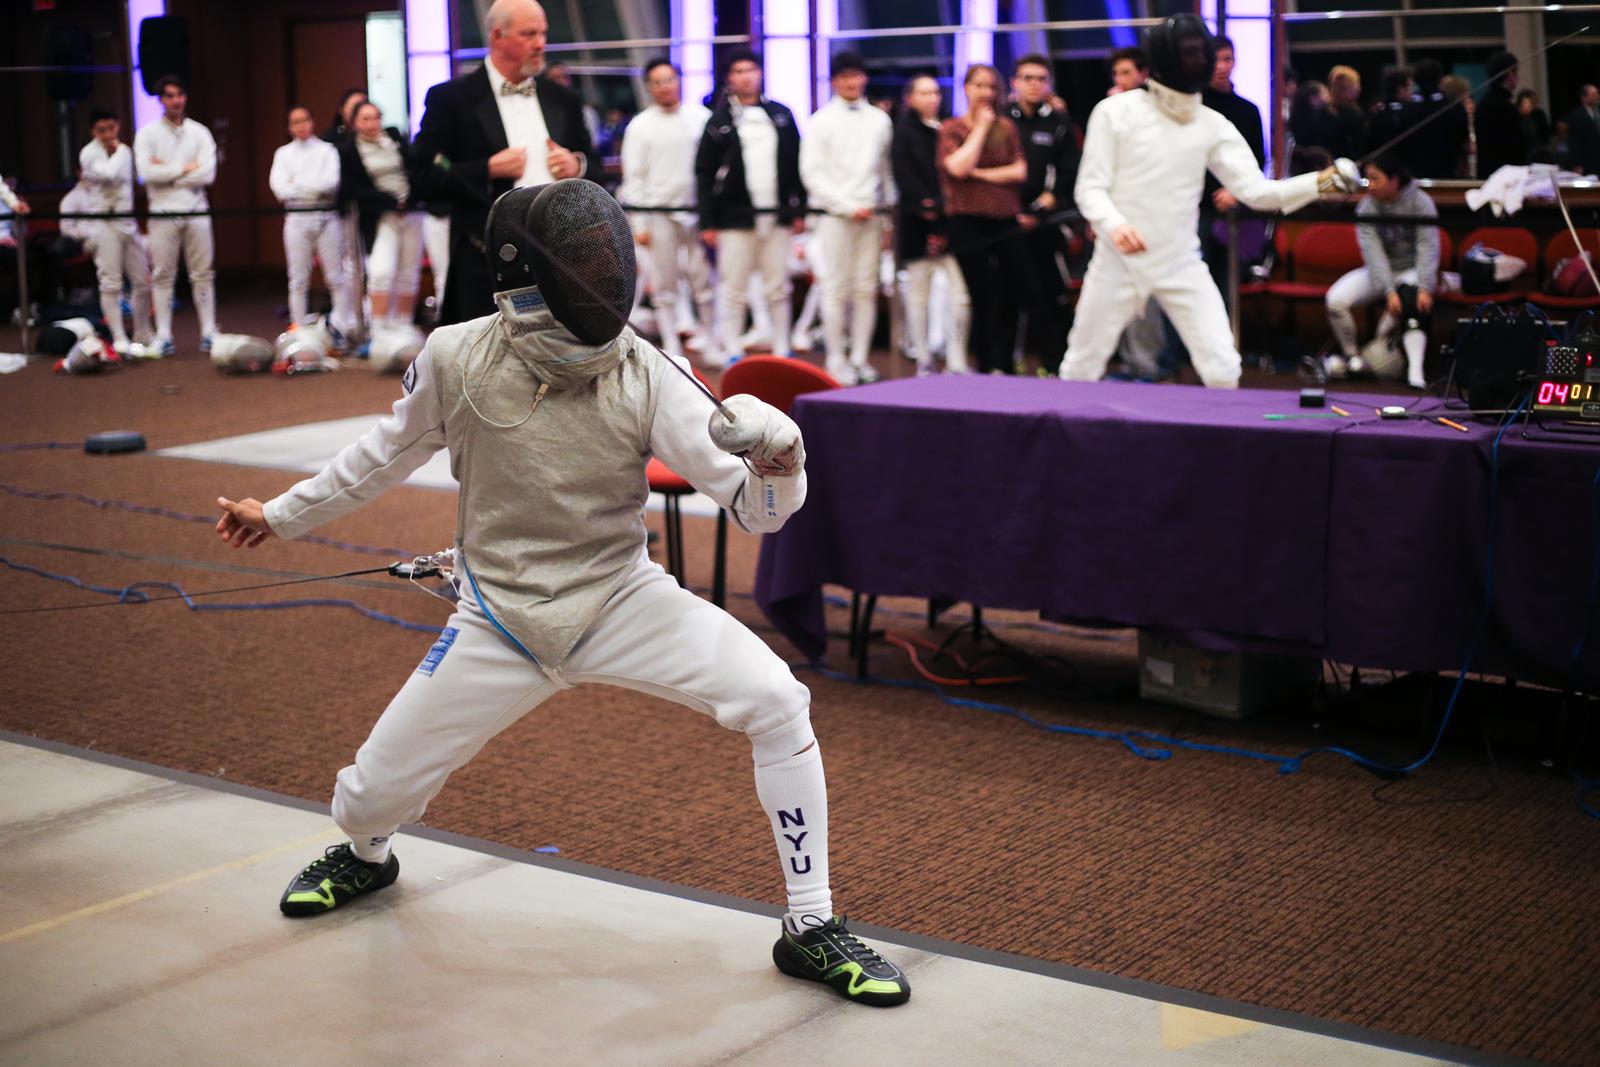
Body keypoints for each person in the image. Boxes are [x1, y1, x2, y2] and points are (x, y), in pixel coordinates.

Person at [213, 178, 911, 1009]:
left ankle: (810, 924)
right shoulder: (455, 356)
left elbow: (758, 514)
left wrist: (784, 460)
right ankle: (369, 854)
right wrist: (279, 514)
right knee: (362, 799)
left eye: (599, 261)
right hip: (497, 614)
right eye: (576, 264)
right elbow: (377, 457)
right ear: (526, 276)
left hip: (620, 599)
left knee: (777, 700)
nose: (596, 279)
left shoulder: (649, 367)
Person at [1059, 15, 1357, 388]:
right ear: (1167, 58)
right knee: (1080, 367)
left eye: (1202, 54)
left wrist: (1324, 183)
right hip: (1117, 262)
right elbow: (1091, 188)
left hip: (1180, 262)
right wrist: (1114, 225)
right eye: (1189, 54)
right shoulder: (1116, 112)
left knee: (1222, 367)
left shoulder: (1212, 125)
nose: (1198, 62)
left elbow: (1257, 192)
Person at [408, 0, 596, 327]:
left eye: (542, 33)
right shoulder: (452, 98)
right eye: (529, 34)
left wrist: (576, 164)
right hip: (485, 260)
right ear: (497, 36)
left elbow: (593, 162)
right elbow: (423, 174)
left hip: (561, 258)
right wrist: (487, 168)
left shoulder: (563, 98)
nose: (540, 43)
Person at [696, 49, 807, 362]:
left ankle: (782, 349)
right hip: (734, 218)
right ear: (730, 78)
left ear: (761, 73)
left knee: (778, 286)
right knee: (733, 287)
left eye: (751, 70)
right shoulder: (718, 121)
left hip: (777, 215)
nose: (746, 76)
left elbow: (796, 164)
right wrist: (708, 221)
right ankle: (732, 349)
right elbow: (704, 173)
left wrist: (799, 210)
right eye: (739, 71)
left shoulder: (782, 115)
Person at [800, 50, 894, 385]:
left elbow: (885, 172)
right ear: (835, 80)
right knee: (835, 287)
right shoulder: (821, 120)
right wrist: (845, 206)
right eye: (844, 76)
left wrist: (886, 215)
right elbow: (812, 174)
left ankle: (859, 358)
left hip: (872, 216)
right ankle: (836, 358)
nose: (851, 82)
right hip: (834, 217)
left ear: (863, 78)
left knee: (866, 289)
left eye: (856, 75)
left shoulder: (880, 120)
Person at [618, 59, 716, 363]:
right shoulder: (641, 126)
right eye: (658, 82)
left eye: (670, 79)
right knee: (664, 283)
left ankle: (711, 340)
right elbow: (633, 177)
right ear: (649, 88)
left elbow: (714, 169)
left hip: (697, 213)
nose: (666, 86)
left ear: (679, 80)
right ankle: (671, 347)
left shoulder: (701, 118)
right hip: (657, 213)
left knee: (705, 280)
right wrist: (638, 224)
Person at [938, 64, 1029, 375]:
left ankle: (1005, 364)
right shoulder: (952, 128)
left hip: (1005, 219)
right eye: (979, 86)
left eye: (991, 87)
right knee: (979, 294)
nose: (986, 93)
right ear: (966, 88)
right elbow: (958, 168)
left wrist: (981, 175)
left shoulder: (1007, 127)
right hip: (967, 221)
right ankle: (982, 363)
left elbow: (1019, 171)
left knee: (1012, 291)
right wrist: (979, 129)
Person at [1323, 153, 1438, 390]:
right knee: (1335, 299)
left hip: (1413, 271)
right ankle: (1352, 357)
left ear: (1394, 180)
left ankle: (1416, 372)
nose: (1369, 184)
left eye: (1376, 179)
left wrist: (1426, 286)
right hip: (1381, 273)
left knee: (1409, 296)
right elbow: (1373, 254)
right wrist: (1388, 291)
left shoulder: (1421, 202)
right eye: (1367, 178)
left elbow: (1428, 247)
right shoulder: (1367, 206)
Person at [1006, 53, 1079, 377]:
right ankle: (1006, 363)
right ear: (1014, 83)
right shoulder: (1001, 120)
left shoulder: (1060, 122)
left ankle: (1055, 363)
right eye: (1027, 78)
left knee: (1052, 295)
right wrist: (1012, 212)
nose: (1034, 84)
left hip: (1047, 224)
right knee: (1007, 296)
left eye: (1040, 78)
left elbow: (1069, 171)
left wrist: (1043, 207)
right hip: (1006, 225)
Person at [135, 74, 218, 355]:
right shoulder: (147, 134)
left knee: (203, 273)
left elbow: (208, 173)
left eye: (180, 94)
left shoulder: (200, 132)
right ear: (160, 99)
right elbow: (146, 174)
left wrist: (168, 172)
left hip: (196, 209)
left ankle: (208, 331)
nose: (176, 100)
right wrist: (185, 168)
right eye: (169, 95)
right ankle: (164, 335)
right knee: (162, 274)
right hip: (161, 210)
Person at [892, 73, 969, 375]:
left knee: (960, 295)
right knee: (918, 292)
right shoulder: (903, 131)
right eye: (923, 93)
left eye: (935, 92)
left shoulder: (949, 128)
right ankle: (922, 355)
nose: (931, 98)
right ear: (910, 98)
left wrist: (946, 208)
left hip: (953, 223)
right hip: (917, 221)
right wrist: (925, 205)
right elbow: (904, 173)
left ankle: (956, 357)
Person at [271, 105, 358, 341]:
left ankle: (342, 326)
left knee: (335, 276)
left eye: (305, 120)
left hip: (326, 218)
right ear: (290, 127)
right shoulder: (283, 154)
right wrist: (310, 187)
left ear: (312, 122)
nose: (301, 125)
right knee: (298, 278)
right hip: (296, 220)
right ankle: (298, 328)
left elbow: (330, 184)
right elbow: (279, 189)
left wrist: (296, 184)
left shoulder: (327, 151)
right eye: (296, 122)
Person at [77, 108, 153, 356]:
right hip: (103, 222)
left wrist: (122, 152)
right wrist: (121, 150)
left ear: (118, 126)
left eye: (111, 128)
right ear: (92, 131)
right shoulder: (89, 153)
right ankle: (119, 337)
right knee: (110, 282)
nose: (108, 134)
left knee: (142, 280)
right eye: (101, 130)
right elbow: (108, 174)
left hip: (127, 220)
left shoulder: (124, 151)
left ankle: (143, 333)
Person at [341, 101, 423, 329]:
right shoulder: (349, 149)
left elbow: (415, 170)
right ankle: (378, 329)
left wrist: (411, 199)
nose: (372, 123)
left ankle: (404, 326)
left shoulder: (394, 139)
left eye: (376, 117)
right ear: (354, 123)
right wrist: (387, 200)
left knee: (409, 272)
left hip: (412, 212)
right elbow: (351, 189)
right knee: (380, 271)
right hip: (381, 215)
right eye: (366, 119)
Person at [1399, 60, 1469, 180]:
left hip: (1415, 175)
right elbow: (1463, 141)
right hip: (1448, 174)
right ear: (1440, 79)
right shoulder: (1454, 107)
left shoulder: (1405, 110)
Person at [1477, 50, 1528, 178]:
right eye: (1516, 72)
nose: (1518, 77)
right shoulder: (1505, 107)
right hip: (1506, 179)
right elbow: (1516, 148)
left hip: (1487, 175)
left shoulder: (1483, 103)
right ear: (1509, 74)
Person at [1325, 65, 1367, 159]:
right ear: (1344, 89)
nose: (1359, 89)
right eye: (1356, 84)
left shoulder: (1327, 110)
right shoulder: (1352, 114)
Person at [1564, 84, 1600, 175]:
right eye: (1593, 94)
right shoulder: (1576, 116)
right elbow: (1573, 142)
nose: (1597, 96)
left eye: (1597, 93)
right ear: (1584, 98)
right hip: (1587, 161)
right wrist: (1577, 164)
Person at [1516, 88, 1553, 159]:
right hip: (1521, 152)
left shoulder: (1538, 114)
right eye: (1525, 104)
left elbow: (1545, 134)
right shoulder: (1515, 116)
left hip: (1537, 151)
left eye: (1531, 105)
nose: (1528, 107)